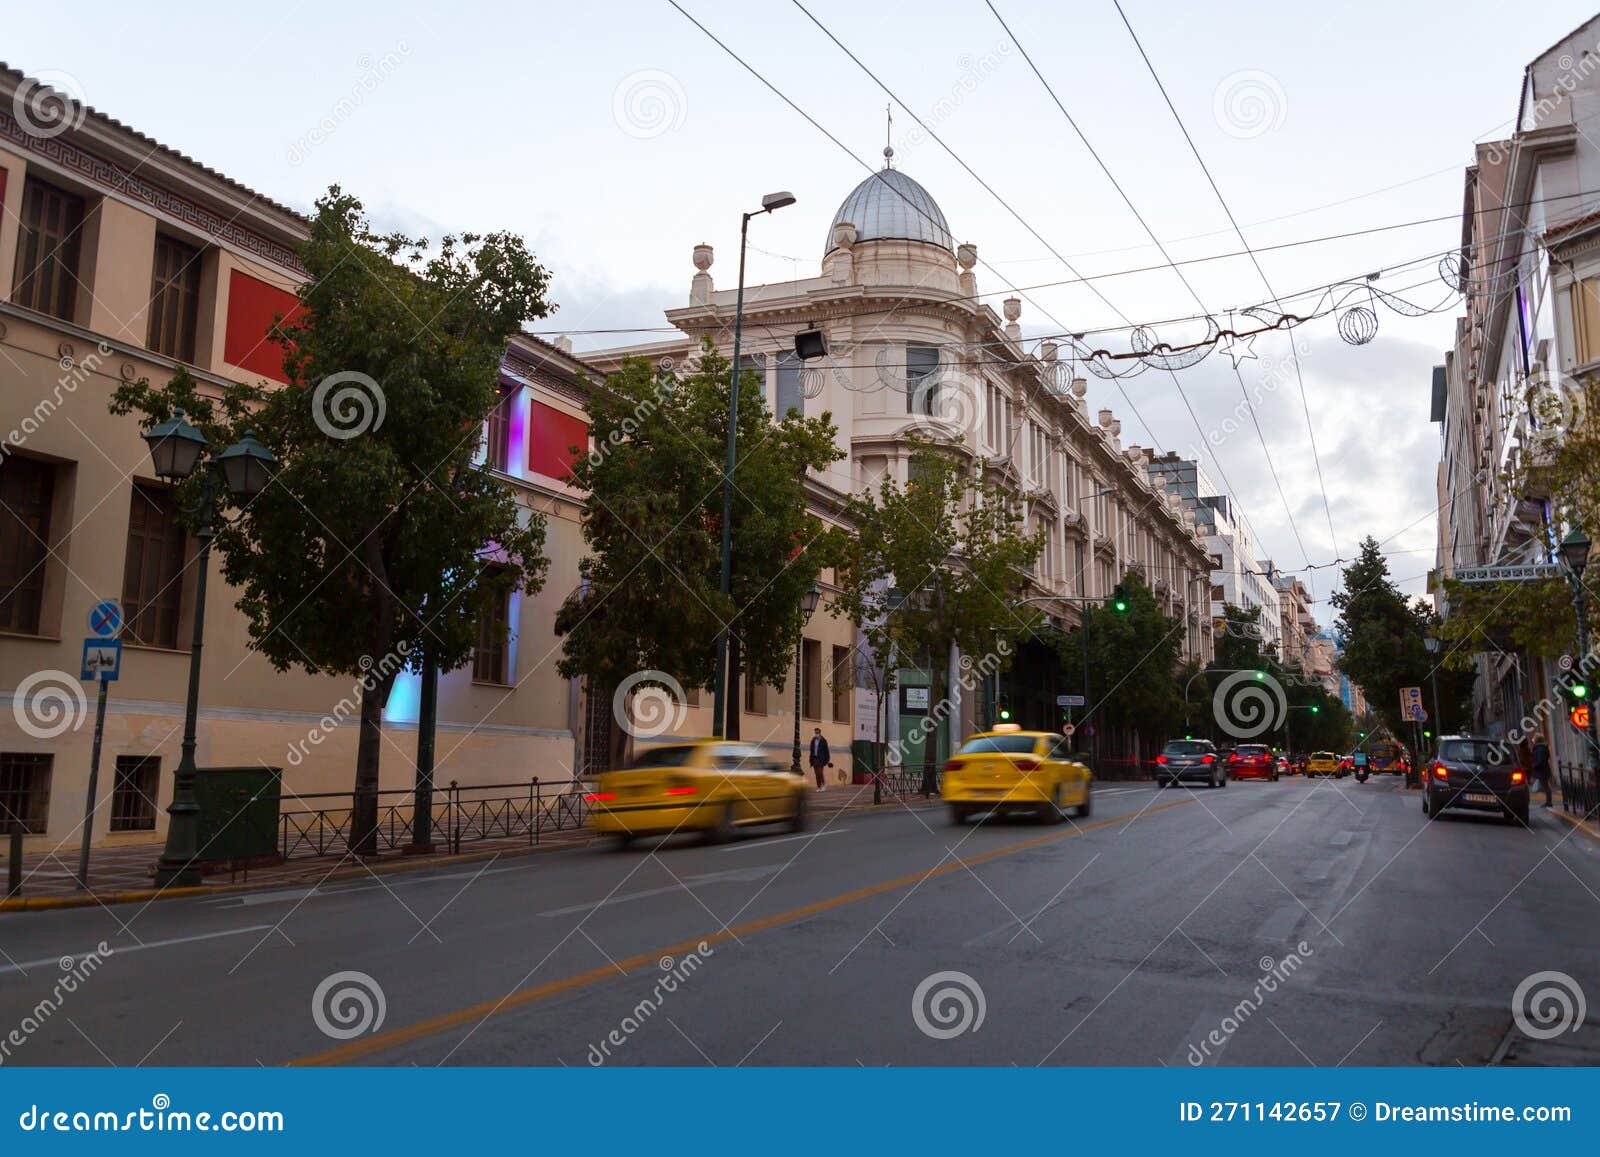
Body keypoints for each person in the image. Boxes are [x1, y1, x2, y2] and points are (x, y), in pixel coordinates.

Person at [1532, 731, 1553, 809]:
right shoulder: (1541, 747)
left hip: (1542, 770)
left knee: (1546, 786)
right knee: (1545, 786)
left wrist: (1534, 765)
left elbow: (1540, 760)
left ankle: (1549, 802)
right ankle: (1548, 801)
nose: (1533, 739)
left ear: (1537, 739)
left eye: (1534, 738)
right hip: (1543, 769)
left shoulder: (1540, 748)